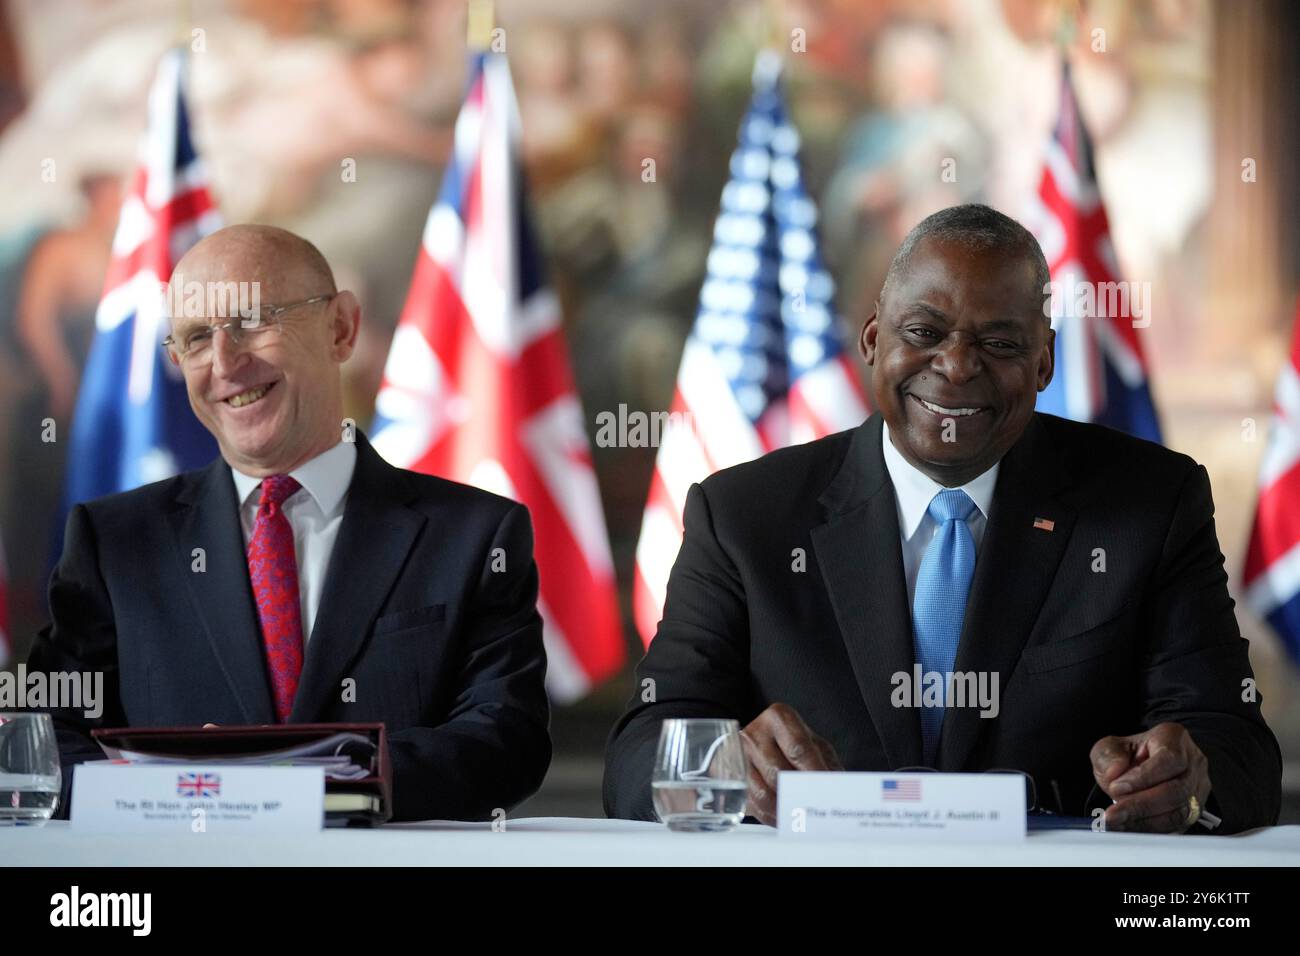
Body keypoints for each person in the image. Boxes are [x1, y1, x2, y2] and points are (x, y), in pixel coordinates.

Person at [604, 204, 1281, 833]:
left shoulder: (1149, 505)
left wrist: (1188, 782)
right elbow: (642, 752)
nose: (956, 367)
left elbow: (1236, 748)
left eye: (1000, 343)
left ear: (1043, 361)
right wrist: (726, 765)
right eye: (925, 333)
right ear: (874, 338)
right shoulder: (744, 516)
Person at [28, 224, 550, 822]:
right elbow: (46, 736)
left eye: (252, 321)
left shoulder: (476, 535)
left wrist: (292, 781)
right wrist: (177, 792)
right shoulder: (114, 543)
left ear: (340, 329)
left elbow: (506, 740)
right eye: (196, 338)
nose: (225, 362)